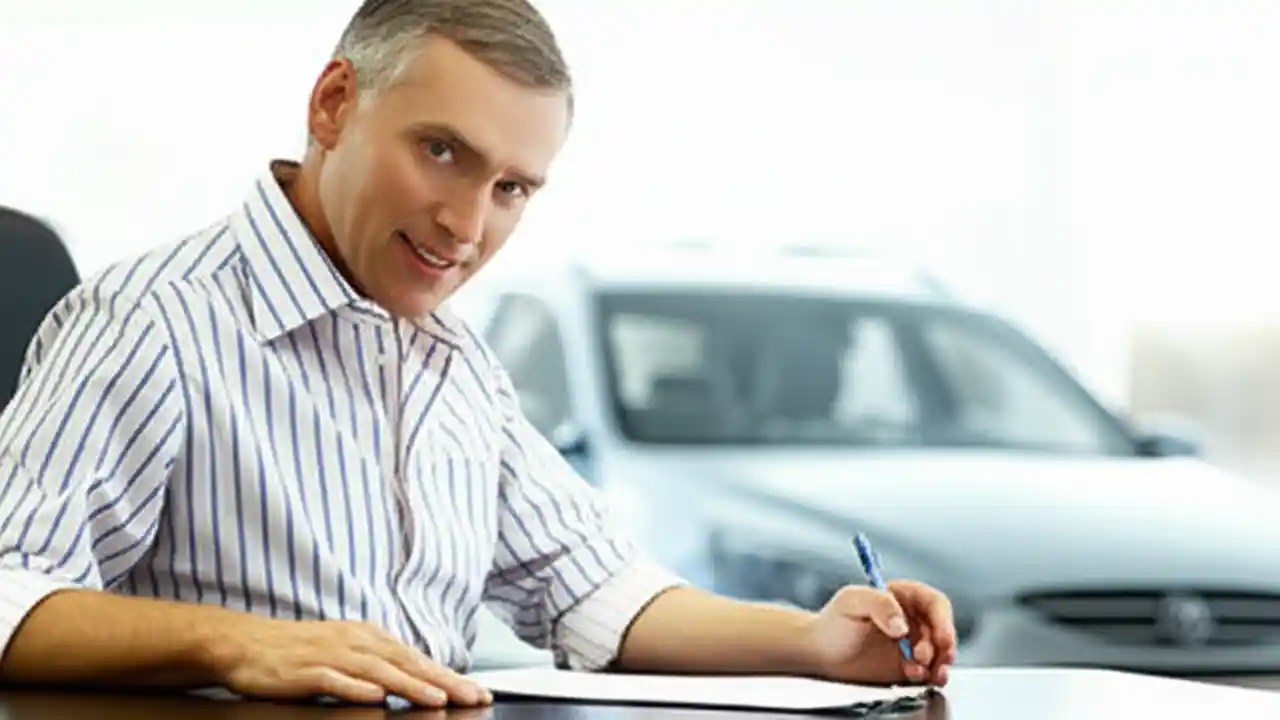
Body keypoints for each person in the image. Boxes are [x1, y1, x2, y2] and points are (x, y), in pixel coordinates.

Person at [0, 0, 956, 709]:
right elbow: (9, 595)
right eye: (442, 152)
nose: (467, 224)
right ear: (334, 104)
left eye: (512, 188)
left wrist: (819, 643)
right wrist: (237, 647)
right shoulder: (152, 320)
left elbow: (599, 596)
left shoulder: (456, 364)